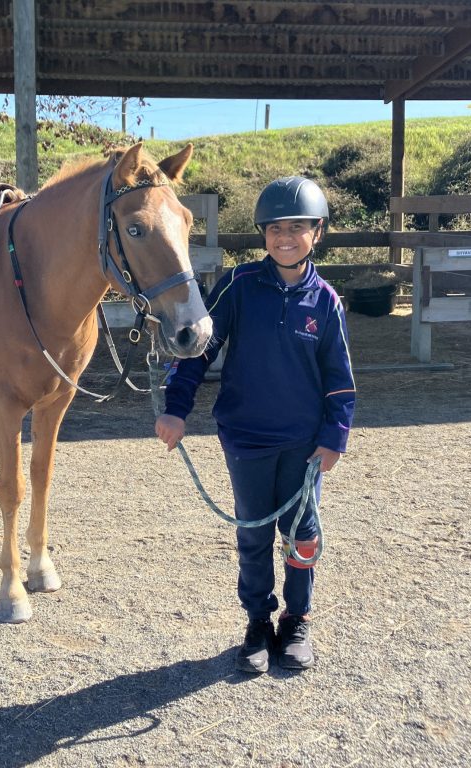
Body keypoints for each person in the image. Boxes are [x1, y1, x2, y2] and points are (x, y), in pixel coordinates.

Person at [155, 176, 356, 674]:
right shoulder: (239, 285)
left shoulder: (326, 301)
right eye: (274, 228)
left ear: (318, 232)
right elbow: (199, 351)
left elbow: (339, 378)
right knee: (254, 533)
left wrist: (335, 436)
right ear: (263, 233)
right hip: (246, 439)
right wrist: (176, 407)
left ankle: (297, 619)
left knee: (301, 534)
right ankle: (257, 622)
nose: (285, 237)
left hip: (305, 445)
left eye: (297, 227)